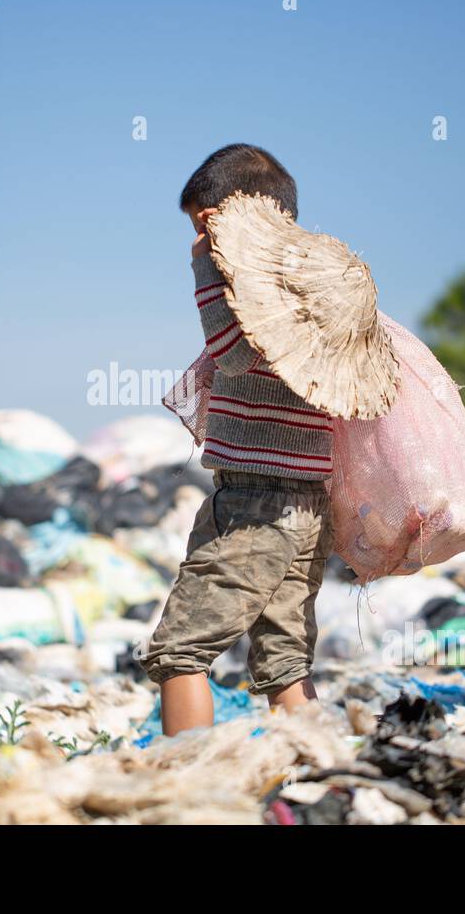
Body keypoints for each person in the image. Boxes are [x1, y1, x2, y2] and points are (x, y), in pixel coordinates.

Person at [139, 144, 335, 735]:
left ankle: (186, 792)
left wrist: (204, 266)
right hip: (307, 503)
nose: (198, 242)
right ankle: (318, 779)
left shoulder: (261, 295)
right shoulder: (321, 293)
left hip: (254, 504)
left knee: (180, 653)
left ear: (236, 215)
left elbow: (234, 354)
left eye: (203, 226)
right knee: (284, 664)